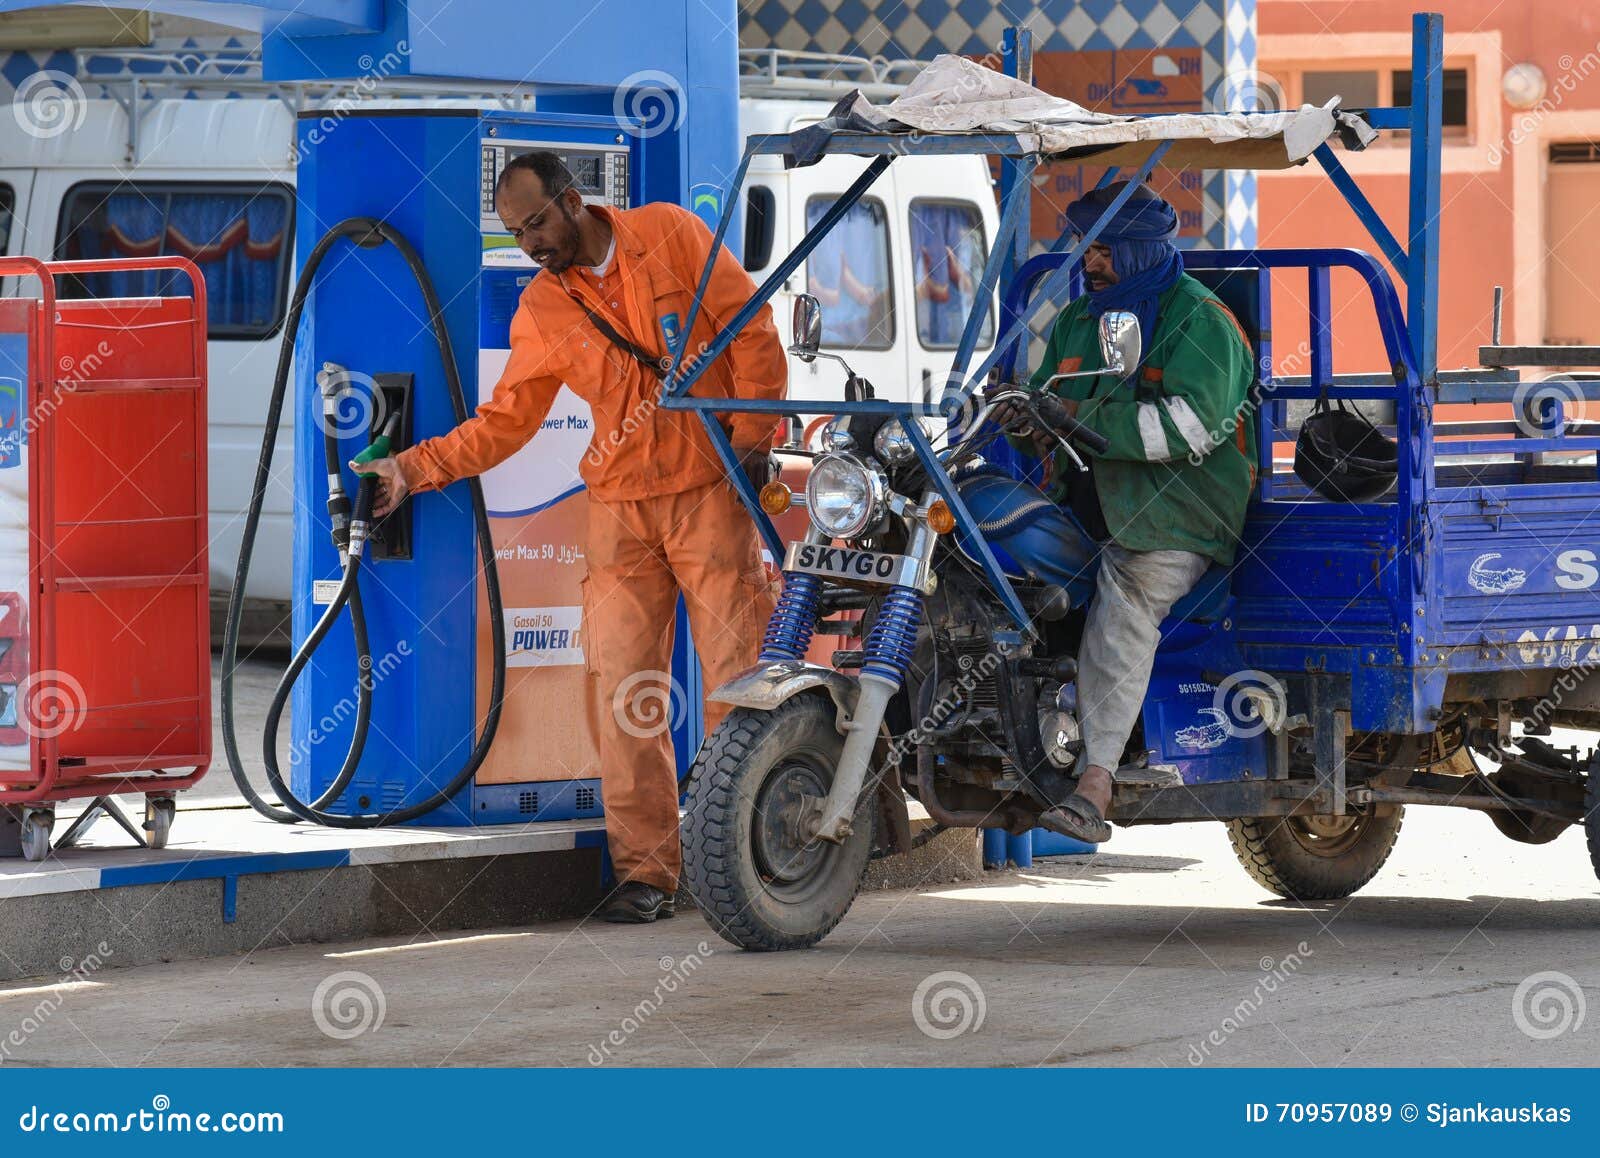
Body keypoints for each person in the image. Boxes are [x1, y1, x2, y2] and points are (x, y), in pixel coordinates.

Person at [357, 152, 785, 922]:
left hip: (710, 494)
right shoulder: (543, 310)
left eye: (538, 223)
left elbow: (750, 327)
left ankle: (742, 865)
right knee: (624, 693)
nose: (531, 244)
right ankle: (648, 876)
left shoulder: (672, 235)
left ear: (574, 200)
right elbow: (503, 426)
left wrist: (752, 442)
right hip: (619, 509)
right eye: (517, 234)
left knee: (738, 685)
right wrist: (411, 471)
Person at [974, 181, 1255, 843]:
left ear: (1138, 251)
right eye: (1084, 248)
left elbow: (1189, 428)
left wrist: (1079, 418)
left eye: (1102, 251)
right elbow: (1050, 410)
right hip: (1086, 505)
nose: (1088, 263)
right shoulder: (1079, 320)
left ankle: (1096, 780)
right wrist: (1022, 416)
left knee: (1125, 592)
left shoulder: (1202, 321)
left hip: (1179, 516)